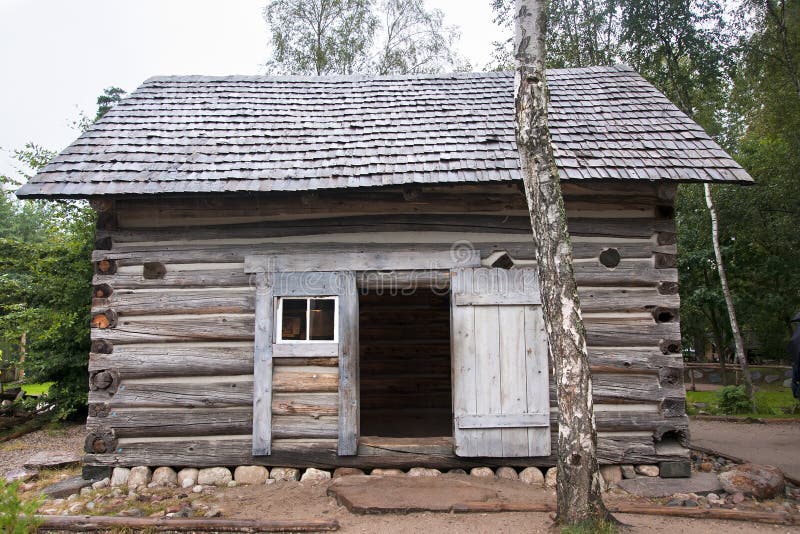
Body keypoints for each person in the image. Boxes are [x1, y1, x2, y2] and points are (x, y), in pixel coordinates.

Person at [789, 313, 800, 400]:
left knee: (795, 380)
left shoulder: (797, 332)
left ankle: (797, 394)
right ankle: (797, 394)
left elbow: (792, 343)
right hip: (797, 360)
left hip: (796, 359)